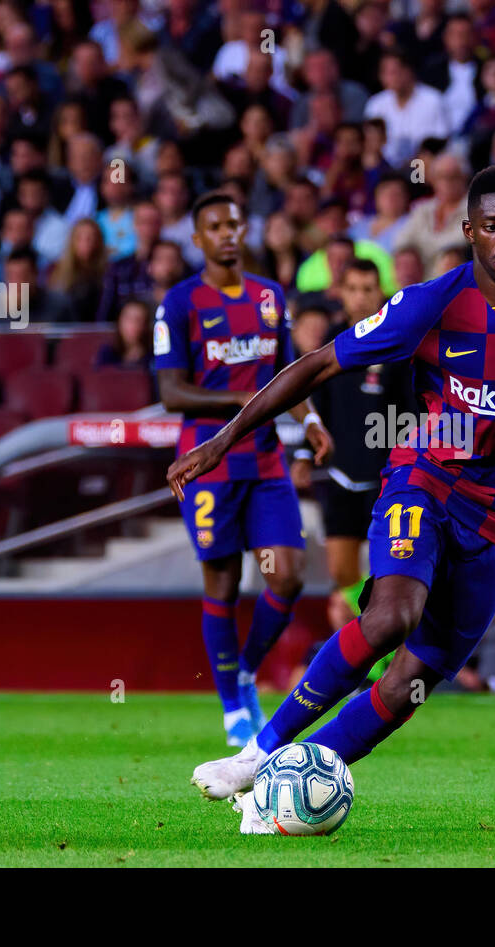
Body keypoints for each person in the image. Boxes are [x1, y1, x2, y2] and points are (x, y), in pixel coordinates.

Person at [177, 165, 495, 832]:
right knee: (390, 617)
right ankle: (259, 751)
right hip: (426, 478)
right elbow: (320, 363)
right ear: (469, 231)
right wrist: (227, 436)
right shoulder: (433, 303)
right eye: (493, 225)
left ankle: (278, 791)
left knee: (409, 681)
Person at [154, 191, 334, 748]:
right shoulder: (179, 303)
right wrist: (244, 401)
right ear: (198, 238)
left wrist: (308, 422)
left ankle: (246, 672)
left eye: (235, 223)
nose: (228, 233)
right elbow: (170, 392)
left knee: (288, 575)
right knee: (224, 582)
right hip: (205, 460)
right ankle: (232, 704)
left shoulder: (269, 295)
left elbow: (288, 374)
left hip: (264, 459)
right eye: (216, 226)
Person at [305, 259, 412, 590]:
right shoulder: (332, 341)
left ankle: (384, 638)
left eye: (368, 289)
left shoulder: (398, 340)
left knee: (388, 577)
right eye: (352, 289)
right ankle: (359, 638)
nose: (361, 297)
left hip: (387, 477)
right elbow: (315, 404)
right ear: (341, 293)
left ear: (381, 292)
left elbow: (411, 410)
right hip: (340, 475)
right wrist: (302, 455)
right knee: (342, 575)